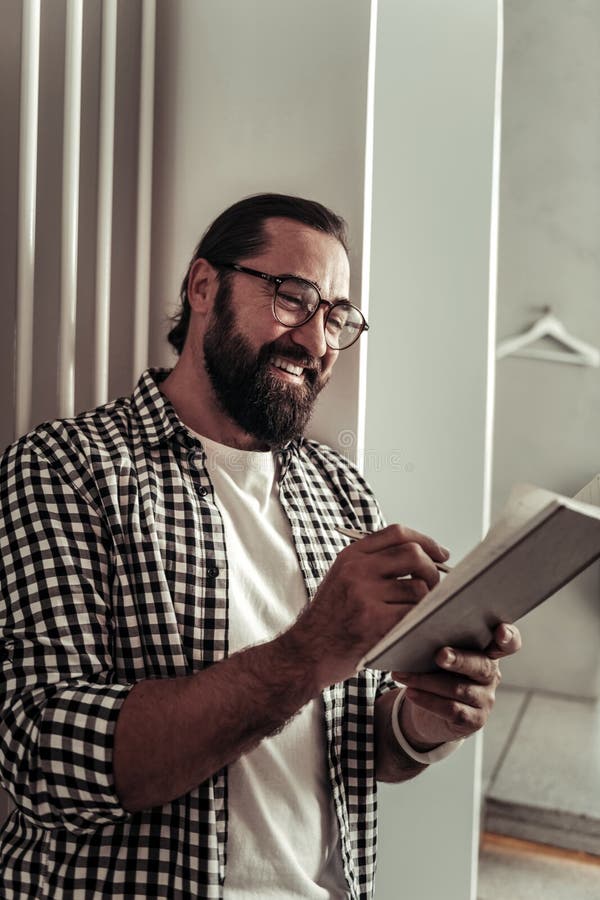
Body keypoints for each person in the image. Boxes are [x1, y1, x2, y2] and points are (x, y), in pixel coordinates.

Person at [0, 193, 521, 899]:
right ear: (204, 287)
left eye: (336, 317)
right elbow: (45, 762)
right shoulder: (66, 466)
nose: (316, 342)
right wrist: (307, 652)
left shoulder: (340, 491)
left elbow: (350, 744)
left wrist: (424, 722)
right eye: (292, 298)